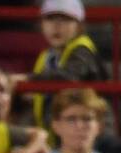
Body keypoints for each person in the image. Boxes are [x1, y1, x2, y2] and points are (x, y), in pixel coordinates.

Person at [29, 0, 109, 132]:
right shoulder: (46, 56)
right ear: (41, 24)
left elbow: (68, 76)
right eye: (50, 19)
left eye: (65, 19)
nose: (57, 26)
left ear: (79, 26)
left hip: (91, 134)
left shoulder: (83, 50)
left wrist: (28, 79)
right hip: (60, 133)